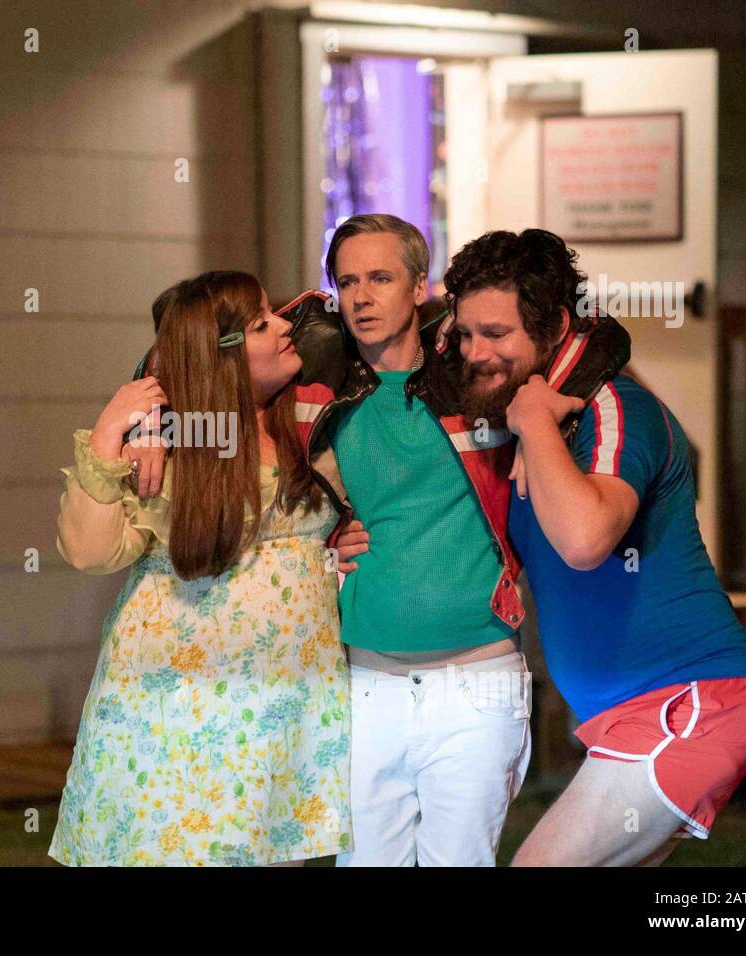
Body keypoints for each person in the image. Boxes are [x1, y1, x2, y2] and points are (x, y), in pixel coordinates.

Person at [131, 215, 561, 865]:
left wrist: (544, 431)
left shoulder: (476, 368)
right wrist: (148, 422)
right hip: (363, 679)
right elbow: (184, 349)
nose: (362, 295)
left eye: (382, 278)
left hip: (478, 681)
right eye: (348, 280)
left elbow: (591, 343)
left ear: (421, 287)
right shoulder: (315, 379)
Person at [440, 228, 746, 865]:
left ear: (556, 326)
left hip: (688, 704)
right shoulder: (519, 422)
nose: (476, 353)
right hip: (627, 716)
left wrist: (535, 418)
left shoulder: (616, 409)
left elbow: (587, 541)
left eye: (497, 335)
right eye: (465, 334)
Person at [49, 270, 351, 867]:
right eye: (263, 324)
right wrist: (113, 431)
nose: (286, 326)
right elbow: (89, 552)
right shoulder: (170, 441)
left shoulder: (313, 412)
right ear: (225, 358)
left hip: (286, 703)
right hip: (181, 709)